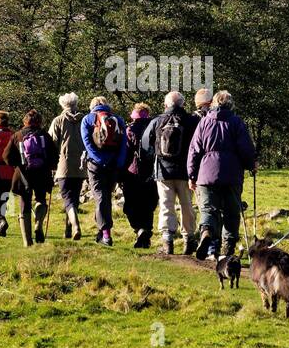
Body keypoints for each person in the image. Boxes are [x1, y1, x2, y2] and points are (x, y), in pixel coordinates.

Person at [186, 90, 257, 261]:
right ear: (231, 104)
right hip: (231, 174)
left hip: (206, 173)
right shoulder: (236, 122)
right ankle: (227, 249)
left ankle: (207, 232)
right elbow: (245, 148)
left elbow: (194, 150)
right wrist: (251, 164)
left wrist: (192, 175)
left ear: (214, 104)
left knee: (209, 209)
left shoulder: (204, 122)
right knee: (231, 212)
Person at [141, 91, 199, 255]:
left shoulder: (157, 121)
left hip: (163, 171)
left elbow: (145, 145)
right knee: (187, 205)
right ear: (182, 105)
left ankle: (168, 241)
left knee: (166, 205)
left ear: (166, 105)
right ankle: (189, 239)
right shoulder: (191, 121)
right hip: (186, 172)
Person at [79, 96, 129, 246]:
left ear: (92, 106)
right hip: (113, 164)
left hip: (95, 165)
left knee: (100, 196)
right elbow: (124, 143)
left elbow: (87, 142)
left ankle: (106, 235)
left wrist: (98, 159)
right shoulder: (118, 119)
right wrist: (119, 162)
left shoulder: (87, 119)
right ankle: (101, 232)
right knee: (105, 196)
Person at [5, 109, 54, 245]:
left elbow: (7, 157)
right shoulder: (45, 135)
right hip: (42, 173)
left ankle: (27, 241)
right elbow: (54, 156)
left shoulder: (17, 135)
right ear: (39, 122)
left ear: (25, 121)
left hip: (23, 174)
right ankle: (38, 223)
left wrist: (17, 165)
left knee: (24, 204)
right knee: (40, 200)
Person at [47, 93, 86, 239]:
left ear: (63, 105)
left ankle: (75, 226)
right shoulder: (85, 120)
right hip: (82, 166)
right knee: (74, 198)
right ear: (76, 104)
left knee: (67, 198)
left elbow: (52, 144)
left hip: (64, 165)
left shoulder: (58, 121)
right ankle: (68, 230)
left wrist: (50, 163)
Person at [121, 103, 159, 248]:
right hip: (152, 172)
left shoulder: (129, 129)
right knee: (148, 204)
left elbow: (125, 153)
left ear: (134, 115)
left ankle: (138, 229)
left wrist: (120, 172)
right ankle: (146, 231)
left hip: (132, 172)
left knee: (131, 204)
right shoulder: (155, 127)